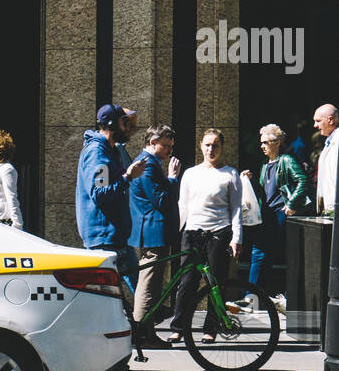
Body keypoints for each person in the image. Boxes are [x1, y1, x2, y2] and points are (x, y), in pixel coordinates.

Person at [169, 128, 242, 344]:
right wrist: (176, 232)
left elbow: (236, 209)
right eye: (207, 144)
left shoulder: (230, 174)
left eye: (215, 145)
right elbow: (183, 206)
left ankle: (211, 328)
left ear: (222, 147)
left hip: (219, 233)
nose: (211, 149)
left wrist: (237, 238)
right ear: (201, 145)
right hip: (192, 232)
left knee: (215, 284)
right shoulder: (190, 173)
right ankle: (178, 327)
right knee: (187, 281)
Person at [76, 104, 146, 295]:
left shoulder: (110, 150)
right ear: (113, 124)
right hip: (104, 239)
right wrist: (128, 177)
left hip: (114, 236)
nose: (131, 131)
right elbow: (100, 194)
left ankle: (141, 323)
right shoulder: (98, 153)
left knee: (140, 296)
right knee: (110, 298)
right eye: (127, 124)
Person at [240, 123, 308, 306]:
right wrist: (251, 180)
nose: (262, 146)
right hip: (267, 214)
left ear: (277, 142)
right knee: (259, 254)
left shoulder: (286, 160)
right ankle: (252, 297)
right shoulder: (264, 164)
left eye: (266, 142)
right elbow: (266, 192)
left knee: (278, 254)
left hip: (281, 214)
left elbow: (302, 180)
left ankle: (283, 297)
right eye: (261, 142)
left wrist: (291, 204)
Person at [128, 124, 181, 346]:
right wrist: (172, 178)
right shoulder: (148, 165)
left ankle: (146, 331)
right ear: (152, 143)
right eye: (166, 146)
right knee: (148, 284)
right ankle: (142, 333)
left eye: (171, 147)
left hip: (152, 231)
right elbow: (159, 201)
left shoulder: (148, 163)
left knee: (151, 283)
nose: (170, 151)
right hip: (152, 232)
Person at [313, 103, 339, 213]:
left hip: (337, 206)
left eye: (318, 121)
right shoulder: (330, 142)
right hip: (330, 206)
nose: (315, 125)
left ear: (331, 120)